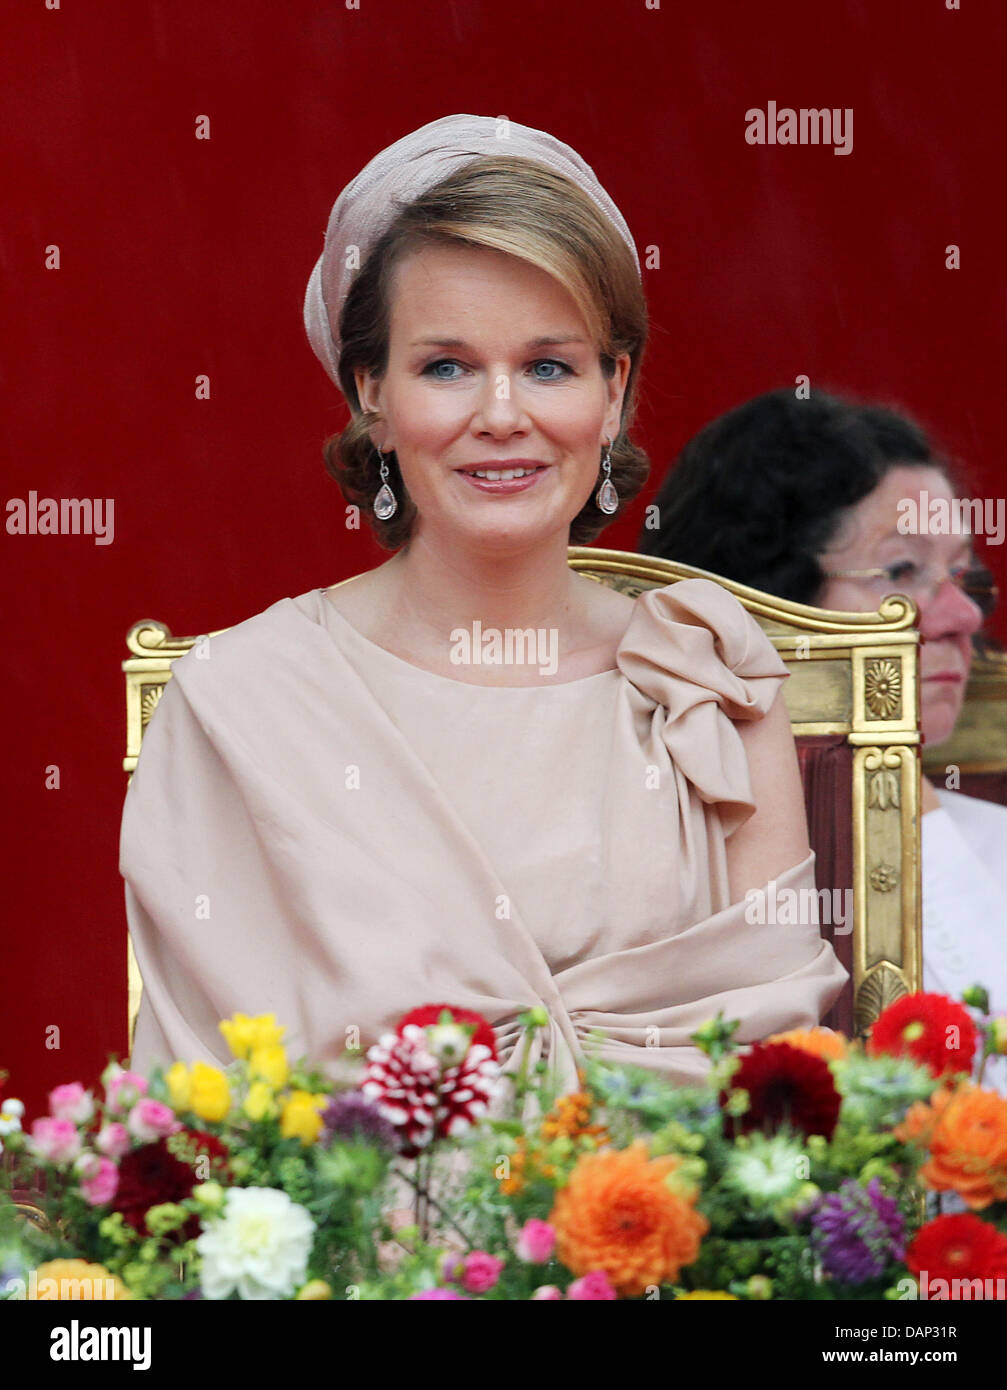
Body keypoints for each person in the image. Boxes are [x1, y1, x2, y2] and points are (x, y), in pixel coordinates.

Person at [120, 117, 846, 1092]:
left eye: (548, 365)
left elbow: (776, 1095)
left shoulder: (710, 684)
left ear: (613, 391)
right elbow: (199, 1130)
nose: (501, 415)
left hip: (660, 1241)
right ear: (370, 393)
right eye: (446, 366)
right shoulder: (238, 701)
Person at [638, 387, 1006, 1086]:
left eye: (959, 574)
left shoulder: (993, 842)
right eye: (900, 572)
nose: (960, 614)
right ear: (769, 611)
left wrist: (912, 805)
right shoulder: (657, 845)